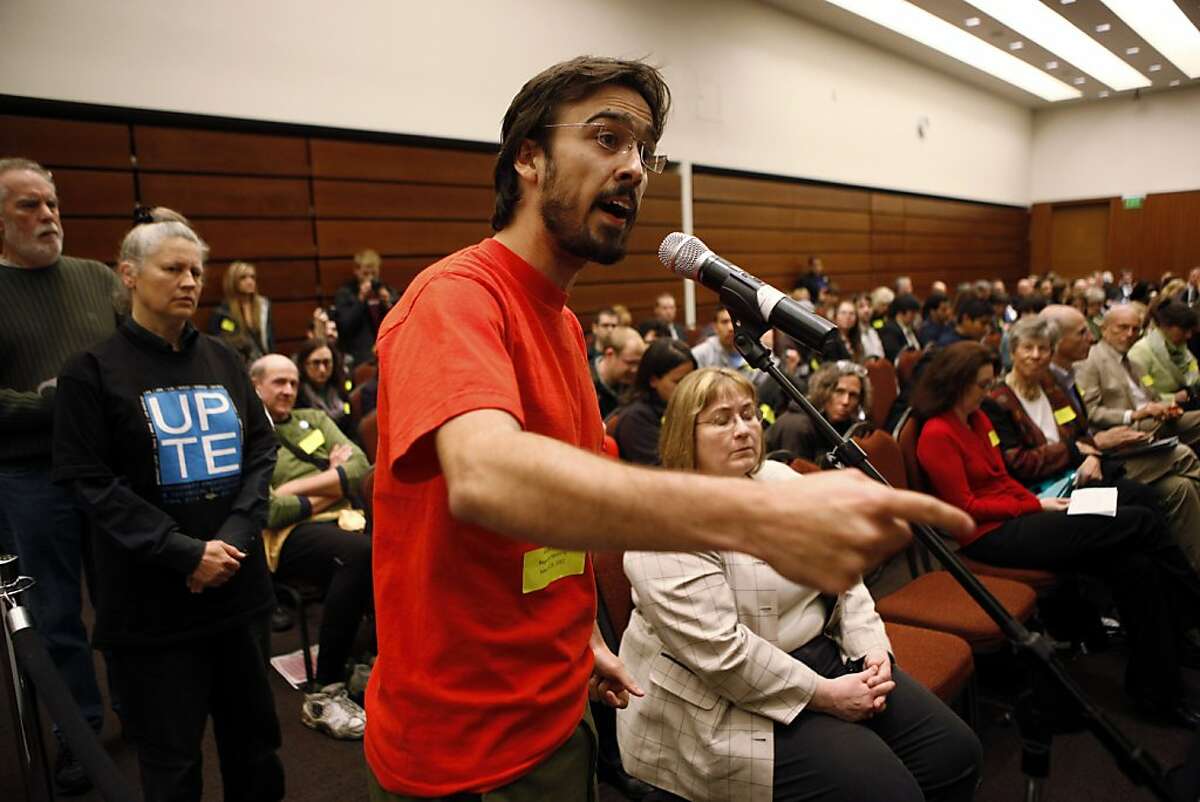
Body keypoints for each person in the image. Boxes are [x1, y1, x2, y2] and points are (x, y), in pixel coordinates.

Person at [366, 56, 972, 801]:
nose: (633, 168)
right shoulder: (457, 297)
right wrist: (750, 512)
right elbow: (486, 477)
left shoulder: (561, 324)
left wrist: (583, 634)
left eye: (644, 151)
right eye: (606, 138)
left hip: (557, 701)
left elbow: (558, 525)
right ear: (528, 157)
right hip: (461, 741)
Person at [618, 367, 982, 802]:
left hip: (824, 655)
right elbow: (723, 656)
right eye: (721, 420)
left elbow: (846, 578)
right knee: (888, 792)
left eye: (749, 414)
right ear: (684, 435)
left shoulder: (779, 480)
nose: (742, 429)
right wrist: (827, 695)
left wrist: (870, 648)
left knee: (954, 755)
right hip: (721, 700)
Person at [52, 212, 284, 801]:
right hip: (153, 606)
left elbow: (262, 451)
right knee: (172, 763)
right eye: (173, 268)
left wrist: (232, 537)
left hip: (238, 592)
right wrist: (183, 553)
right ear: (128, 274)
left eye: (197, 271)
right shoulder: (90, 371)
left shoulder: (225, 359)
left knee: (255, 748)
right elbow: (89, 482)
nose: (189, 281)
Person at [914, 342, 1200, 726]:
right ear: (956, 383)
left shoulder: (977, 418)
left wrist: (1035, 501)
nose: (986, 392)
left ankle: (1158, 691)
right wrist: (1032, 506)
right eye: (980, 385)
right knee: (1140, 522)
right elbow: (963, 509)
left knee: (1135, 564)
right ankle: (1191, 606)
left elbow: (1002, 478)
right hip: (989, 536)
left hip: (1021, 513)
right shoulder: (936, 434)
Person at [0, 156, 120, 794]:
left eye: (51, 203)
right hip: (30, 476)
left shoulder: (96, 278)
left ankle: (136, 710)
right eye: (29, 205)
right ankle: (79, 734)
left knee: (121, 599)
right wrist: (52, 402)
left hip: (105, 469)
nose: (47, 215)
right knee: (54, 614)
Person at [249, 354, 373, 738]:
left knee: (396, 545)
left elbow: (360, 466)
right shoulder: (248, 435)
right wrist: (332, 481)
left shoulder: (314, 419)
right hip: (288, 537)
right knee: (359, 553)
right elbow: (269, 509)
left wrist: (294, 488)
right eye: (278, 382)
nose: (289, 389)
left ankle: (372, 663)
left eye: (293, 382)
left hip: (344, 520)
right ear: (255, 387)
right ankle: (326, 689)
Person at [1075, 305, 1200, 451]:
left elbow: (1153, 398)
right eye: (1123, 327)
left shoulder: (1134, 363)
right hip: (1125, 427)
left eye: (1135, 329)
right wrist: (1133, 415)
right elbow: (1090, 412)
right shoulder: (1090, 361)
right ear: (1104, 329)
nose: (1129, 334)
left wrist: (1166, 406)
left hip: (1155, 419)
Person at [606, 338, 696, 465]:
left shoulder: (688, 409)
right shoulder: (635, 419)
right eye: (678, 382)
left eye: (690, 381)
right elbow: (661, 470)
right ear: (653, 380)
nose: (686, 388)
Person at [766, 360, 873, 466]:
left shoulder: (850, 426)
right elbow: (798, 473)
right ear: (824, 391)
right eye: (839, 392)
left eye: (853, 395)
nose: (846, 401)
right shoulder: (799, 427)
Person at [1128, 298, 1200, 407]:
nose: (1188, 335)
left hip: (1189, 400)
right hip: (1157, 407)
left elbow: (1193, 368)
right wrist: (1172, 398)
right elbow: (1138, 393)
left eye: (1190, 331)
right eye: (1184, 330)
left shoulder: (1182, 347)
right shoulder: (1140, 352)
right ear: (1165, 326)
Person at [334, 248, 395, 367]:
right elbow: (344, 326)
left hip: (386, 352)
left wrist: (388, 304)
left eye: (374, 274)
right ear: (356, 271)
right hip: (359, 357)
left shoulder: (386, 290)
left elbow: (398, 322)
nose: (370, 278)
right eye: (366, 274)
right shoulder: (346, 293)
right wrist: (360, 300)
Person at [209, 260, 273, 364]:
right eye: (243, 278)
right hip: (237, 362)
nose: (250, 281)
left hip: (263, 361)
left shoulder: (264, 306)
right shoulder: (223, 312)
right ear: (233, 281)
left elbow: (269, 340)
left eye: (252, 277)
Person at [294, 338, 353, 436]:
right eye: (316, 363)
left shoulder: (341, 390)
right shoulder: (297, 396)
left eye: (326, 362)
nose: (322, 369)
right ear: (304, 365)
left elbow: (352, 426)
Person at [592, 325, 645, 419]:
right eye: (630, 362)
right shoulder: (586, 382)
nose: (635, 370)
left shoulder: (632, 383)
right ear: (610, 354)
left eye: (638, 363)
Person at [879, 293, 921, 362]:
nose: (914, 317)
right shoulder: (890, 330)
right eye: (912, 313)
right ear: (900, 313)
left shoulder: (912, 329)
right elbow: (895, 356)